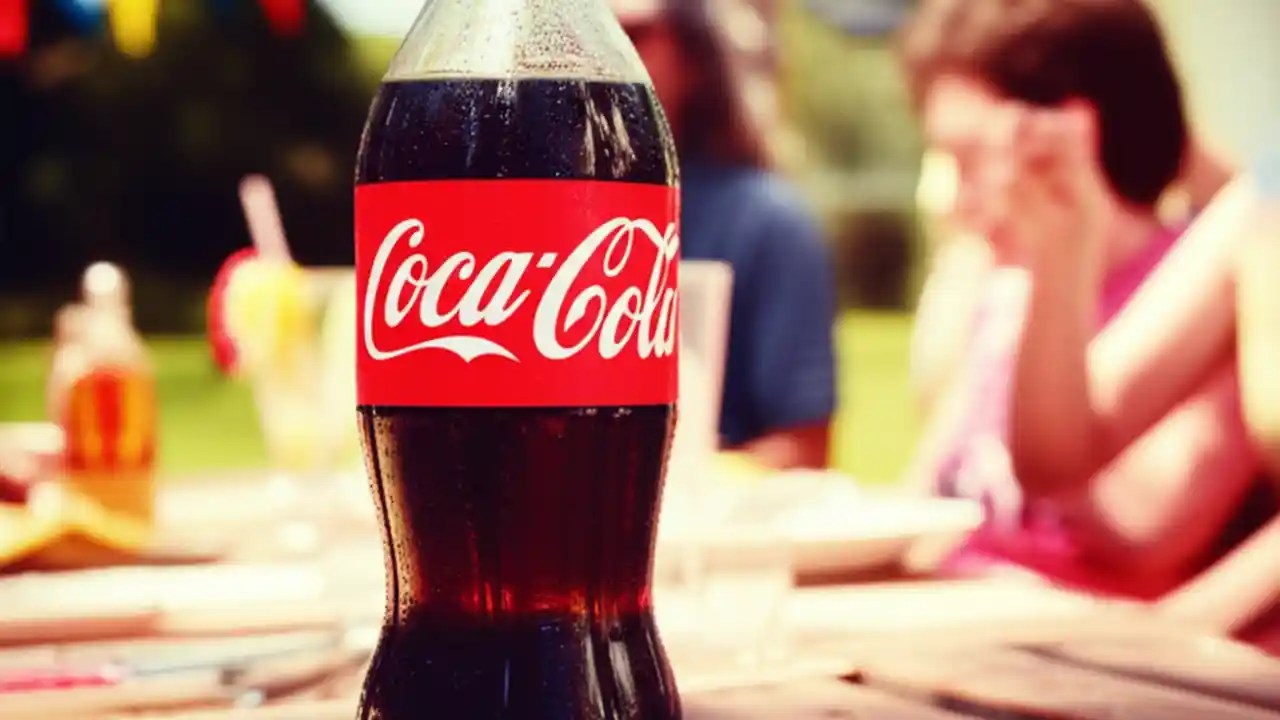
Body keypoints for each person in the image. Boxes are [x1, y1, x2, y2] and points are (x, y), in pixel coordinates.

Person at [898, 0, 1264, 601]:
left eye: (969, 160)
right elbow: (920, 507)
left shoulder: (1199, 290)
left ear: (1071, 136)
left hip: (1088, 650)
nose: (950, 199)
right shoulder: (1006, 292)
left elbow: (1144, 529)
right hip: (967, 622)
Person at [615, 0, 838, 469]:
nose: (598, 56)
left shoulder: (769, 224)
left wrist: (690, 479)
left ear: (694, 57)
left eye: (632, 35)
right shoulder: (525, 229)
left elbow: (803, 448)